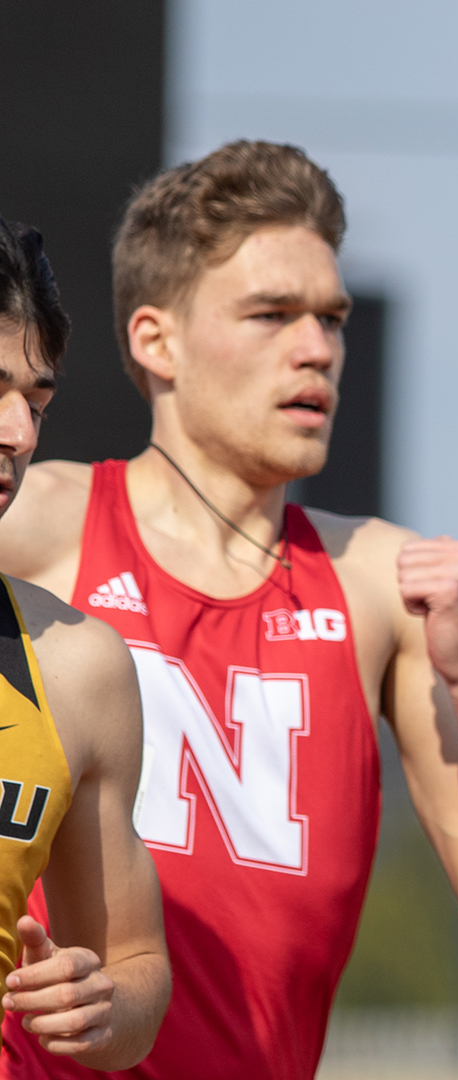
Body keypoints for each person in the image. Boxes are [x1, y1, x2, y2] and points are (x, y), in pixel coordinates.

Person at [0, 143, 458, 1080]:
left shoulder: (380, 582)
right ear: (157, 341)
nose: (316, 348)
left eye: (332, 318)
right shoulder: (38, 524)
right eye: (272, 314)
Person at [0, 217, 170, 1074]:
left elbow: (138, 967)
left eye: (34, 401)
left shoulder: (78, 665)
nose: (20, 436)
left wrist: (103, 1004)